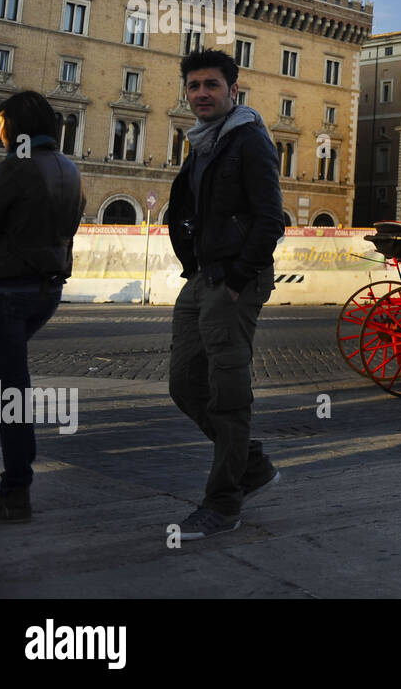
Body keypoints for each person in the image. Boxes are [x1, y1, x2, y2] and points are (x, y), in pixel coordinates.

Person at [167, 49, 285, 540]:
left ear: (233, 90)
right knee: (184, 383)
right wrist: (195, 267)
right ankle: (251, 465)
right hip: (202, 278)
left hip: (233, 281)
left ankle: (223, 502)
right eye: (194, 86)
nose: (201, 94)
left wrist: (238, 278)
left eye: (211, 85)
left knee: (228, 395)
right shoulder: (205, 143)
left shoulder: (247, 139)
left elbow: (270, 218)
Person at [0, 92, 83, 522]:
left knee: (7, 397)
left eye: (2, 124)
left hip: (2, 294)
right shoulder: (69, 168)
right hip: (45, 291)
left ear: (17, 126)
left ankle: (15, 491)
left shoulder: (14, 167)